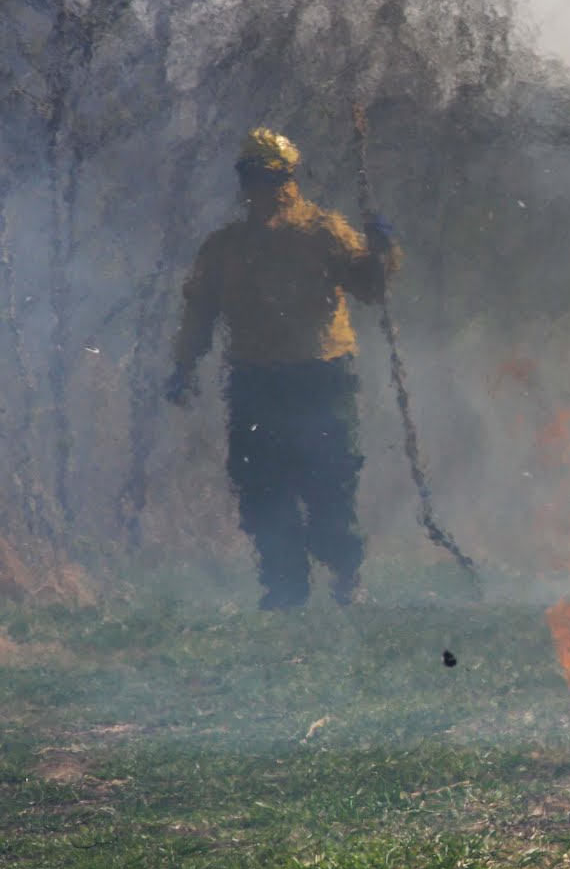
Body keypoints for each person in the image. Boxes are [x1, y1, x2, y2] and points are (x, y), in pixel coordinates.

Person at [166, 127, 399, 610]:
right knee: (262, 487)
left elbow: (370, 289)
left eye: (271, 176)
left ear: (288, 177)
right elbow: (199, 311)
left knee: (330, 480)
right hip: (255, 379)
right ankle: (284, 588)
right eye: (251, 176)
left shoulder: (323, 232)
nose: (262, 187)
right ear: (242, 180)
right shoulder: (225, 246)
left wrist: (382, 252)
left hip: (321, 375)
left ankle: (345, 576)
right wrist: (184, 367)